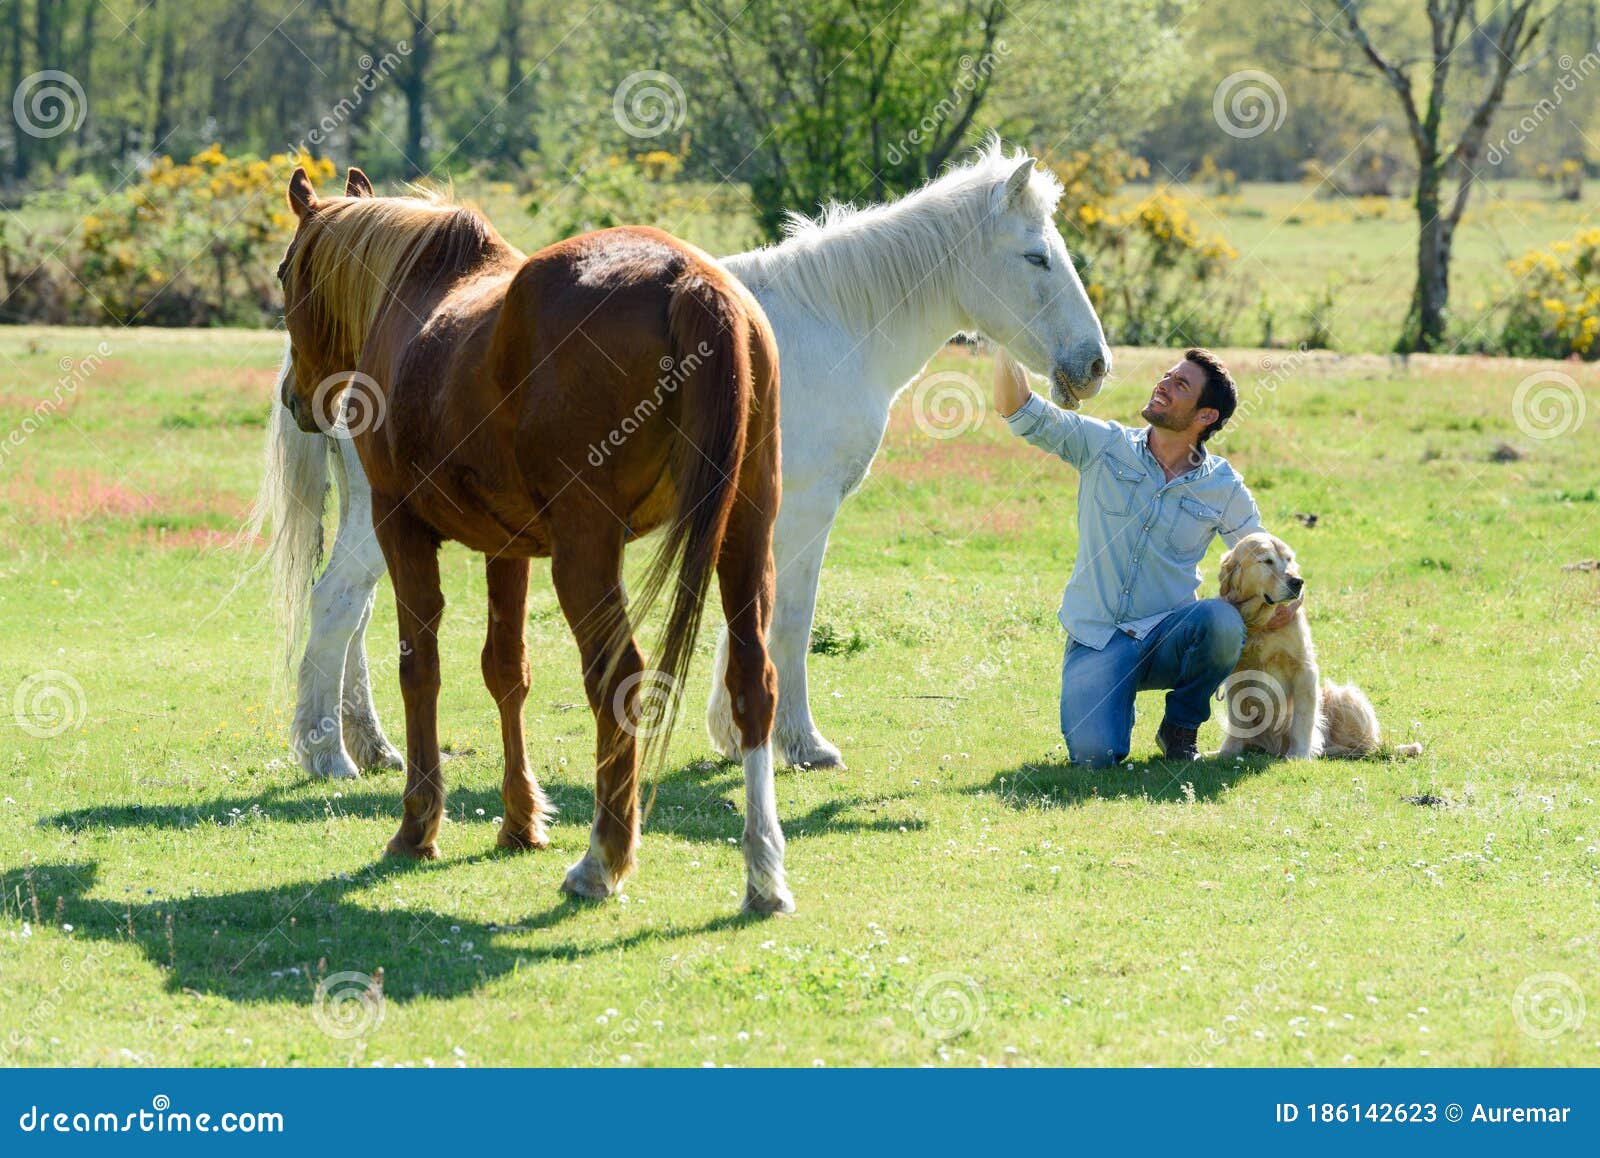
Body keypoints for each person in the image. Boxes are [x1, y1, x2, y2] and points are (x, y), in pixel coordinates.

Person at [993, 348, 1298, 766]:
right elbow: (1019, 409)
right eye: (1167, 376)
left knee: (1222, 622)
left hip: (1171, 638)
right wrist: (1005, 340)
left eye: (1180, 384)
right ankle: (1112, 702)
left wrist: (1287, 600)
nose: (1163, 385)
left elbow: (1265, 554)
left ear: (1206, 415)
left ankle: (1180, 728)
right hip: (1097, 639)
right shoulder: (1105, 445)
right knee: (1095, 758)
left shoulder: (1223, 486)